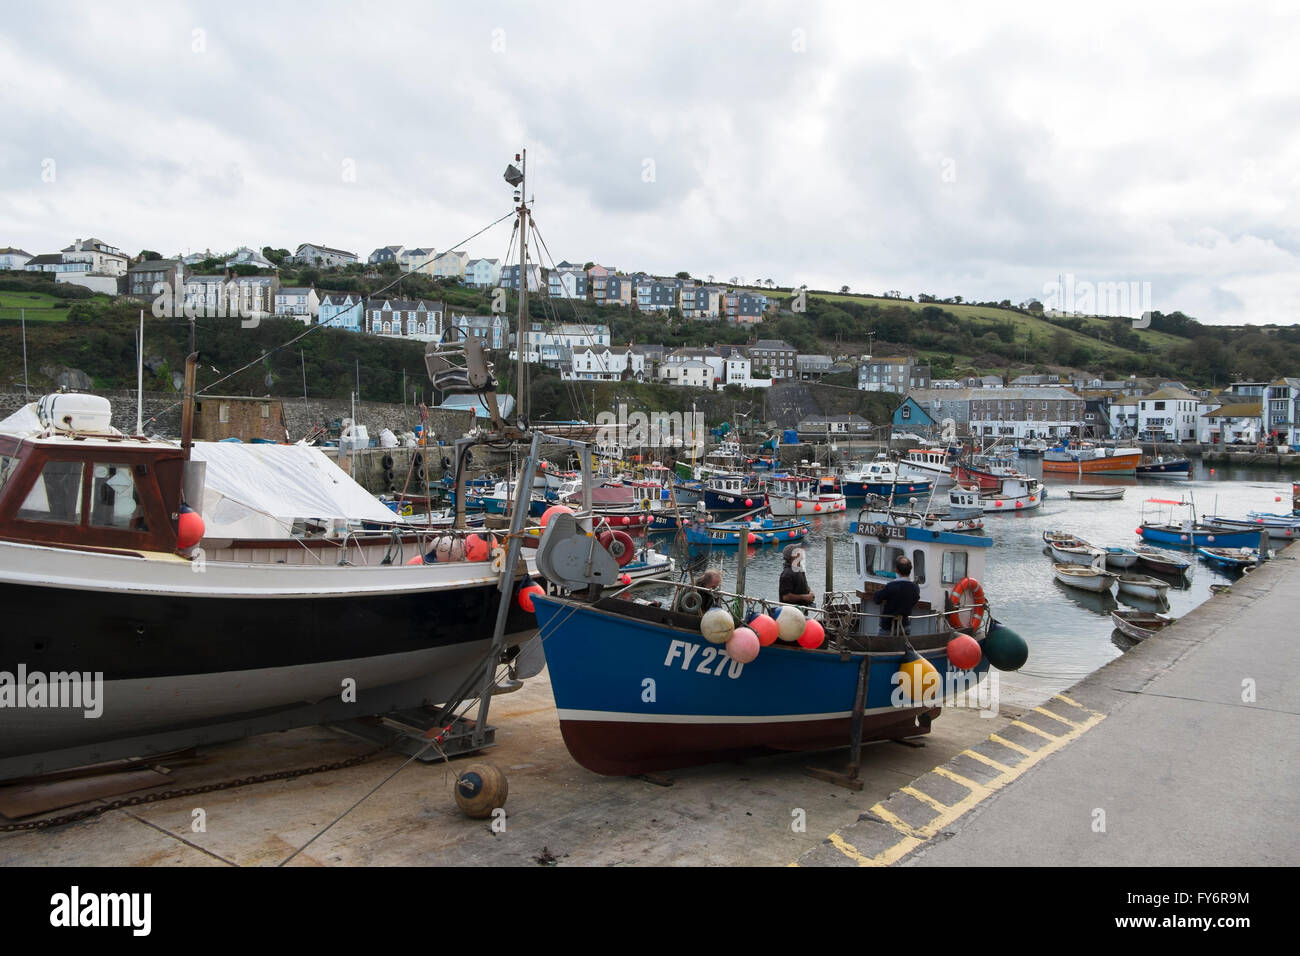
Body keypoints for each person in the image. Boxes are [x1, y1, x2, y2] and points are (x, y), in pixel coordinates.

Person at [873, 556, 921, 635]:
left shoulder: (891, 586)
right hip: (904, 625)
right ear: (910, 570)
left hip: (888, 627)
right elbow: (915, 600)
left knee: (882, 646)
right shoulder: (915, 588)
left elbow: (877, 599)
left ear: (896, 570)